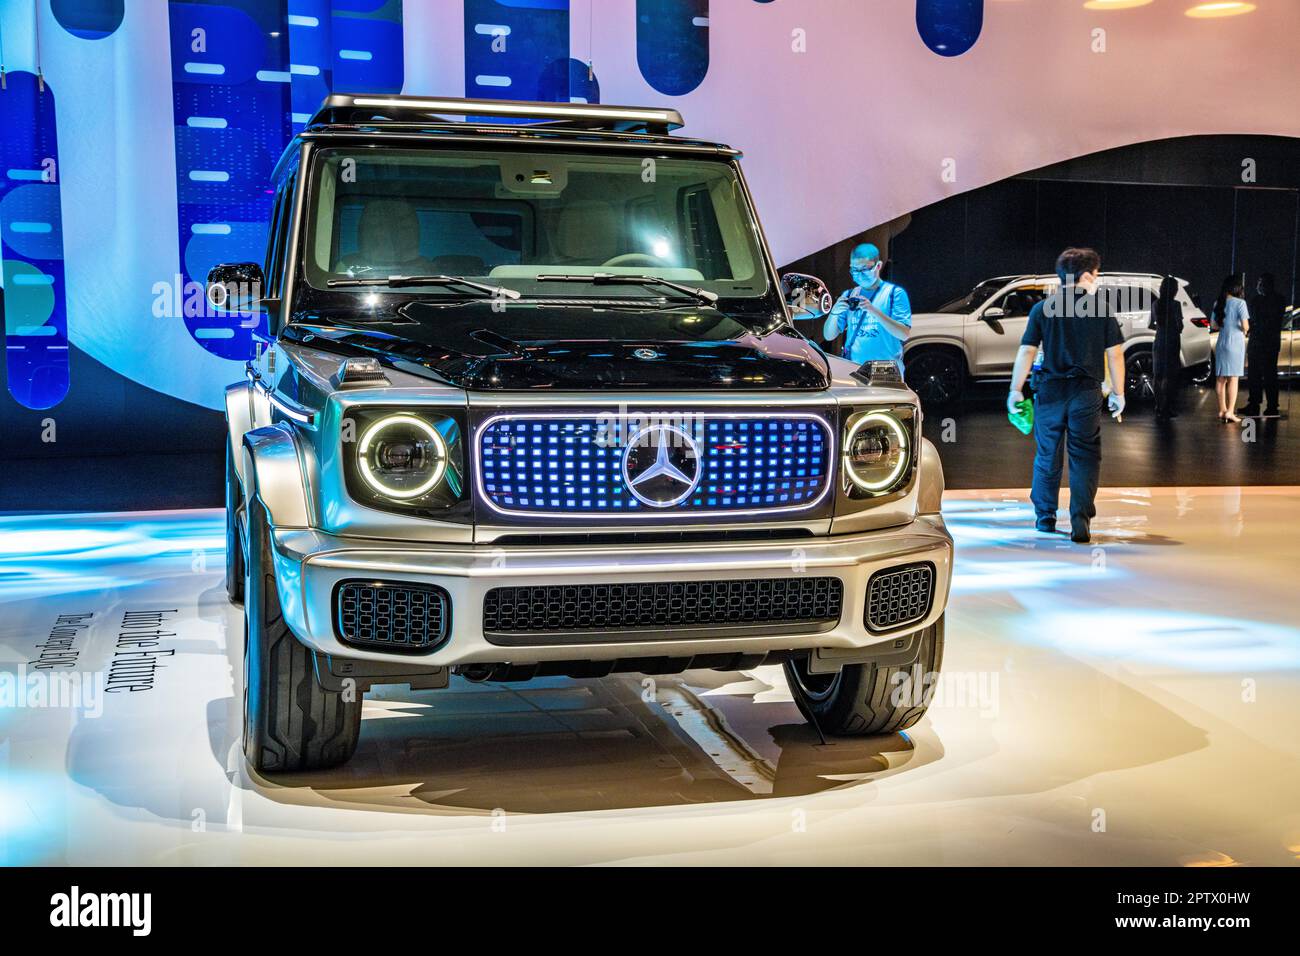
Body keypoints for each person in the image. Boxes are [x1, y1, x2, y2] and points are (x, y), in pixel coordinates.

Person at [1008, 248, 1125, 544]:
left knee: (1047, 454)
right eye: (1096, 274)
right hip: (1085, 392)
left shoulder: (1042, 309)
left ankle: (1045, 517)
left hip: (1049, 391)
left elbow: (1027, 350)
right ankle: (1080, 521)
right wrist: (1120, 393)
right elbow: (1115, 354)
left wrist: (1015, 389)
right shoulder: (1100, 308)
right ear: (1087, 275)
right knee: (1085, 456)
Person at [822, 242, 912, 373]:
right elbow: (829, 336)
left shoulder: (894, 293)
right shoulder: (849, 294)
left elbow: (904, 334)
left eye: (864, 269)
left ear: (878, 266)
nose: (859, 274)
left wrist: (873, 310)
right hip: (854, 368)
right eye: (854, 270)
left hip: (885, 370)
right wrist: (834, 313)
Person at [1242, 272, 1285, 418]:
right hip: (1266, 343)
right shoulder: (1278, 300)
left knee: (1262, 375)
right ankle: (1266, 405)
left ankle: (1260, 404)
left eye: (1260, 283)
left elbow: (1258, 321)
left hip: (1262, 343)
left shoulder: (1261, 301)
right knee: (1264, 375)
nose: (1258, 285)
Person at [1209, 274, 1249, 423]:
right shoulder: (1240, 303)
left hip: (1221, 342)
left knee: (1220, 379)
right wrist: (1242, 328)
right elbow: (1245, 326)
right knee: (1233, 378)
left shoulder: (1218, 303)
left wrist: (1225, 324)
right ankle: (1230, 412)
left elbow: (1213, 325)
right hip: (1235, 343)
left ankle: (1221, 410)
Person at [1148, 275, 1184, 421]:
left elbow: (1151, 324)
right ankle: (1168, 407)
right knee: (1170, 375)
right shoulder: (1176, 305)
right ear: (1174, 290)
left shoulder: (1156, 304)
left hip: (1160, 340)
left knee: (1158, 375)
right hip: (1173, 340)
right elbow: (1179, 326)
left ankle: (1158, 406)